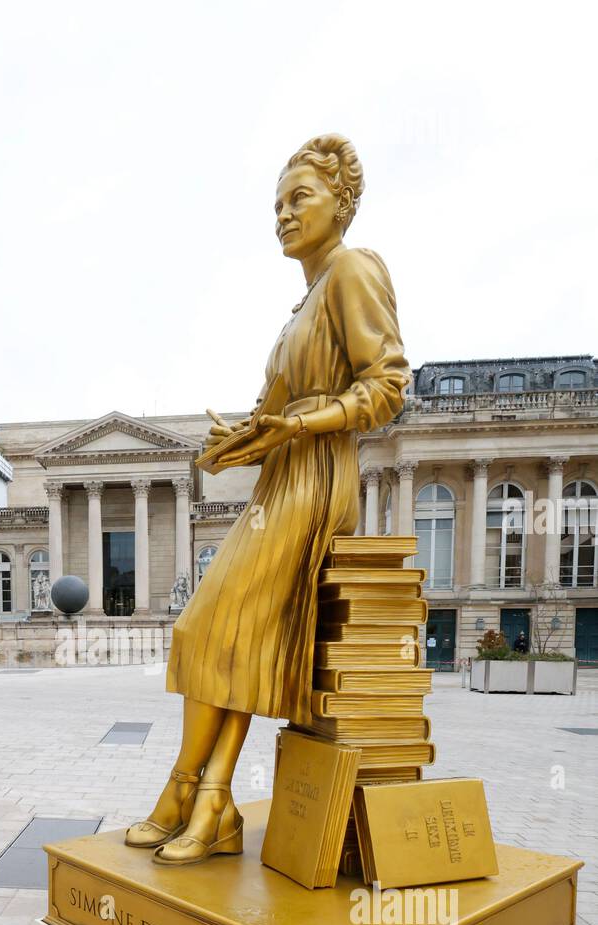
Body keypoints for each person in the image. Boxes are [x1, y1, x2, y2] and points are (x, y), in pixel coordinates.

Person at [126, 134, 409, 865]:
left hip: (317, 477)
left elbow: (385, 387)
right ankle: (208, 799)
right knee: (224, 638)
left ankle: (189, 790)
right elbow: (268, 415)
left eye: (299, 198)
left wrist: (301, 423)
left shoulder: (352, 268)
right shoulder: (298, 309)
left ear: (341, 204)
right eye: (276, 203)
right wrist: (233, 445)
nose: (283, 214)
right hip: (278, 474)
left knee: (207, 626)